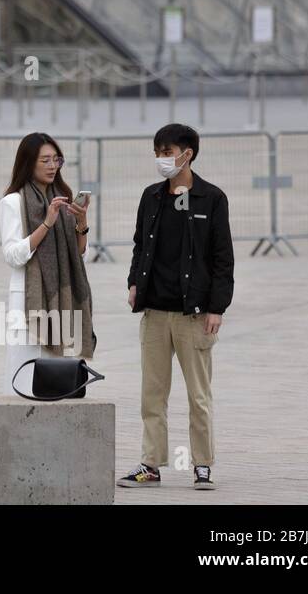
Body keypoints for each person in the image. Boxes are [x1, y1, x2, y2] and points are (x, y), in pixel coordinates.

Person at [118, 124, 233, 491]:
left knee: (198, 395)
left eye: (167, 152)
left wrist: (217, 307)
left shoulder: (211, 199)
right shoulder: (151, 196)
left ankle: (202, 465)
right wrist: (134, 282)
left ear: (188, 154)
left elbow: (222, 259)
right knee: (152, 395)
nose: (161, 159)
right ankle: (150, 465)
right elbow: (140, 246)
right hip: (154, 312)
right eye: (157, 152)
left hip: (194, 315)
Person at [0, 132, 95, 395]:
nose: (53, 166)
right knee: (25, 382)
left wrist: (82, 224)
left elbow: (80, 256)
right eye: (45, 160)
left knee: (58, 384)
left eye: (56, 160)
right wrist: (47, 223)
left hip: (63, 305)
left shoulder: (63, 197)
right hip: (30, 304)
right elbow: (13, 255)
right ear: (28, 163)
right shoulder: (13, 202)